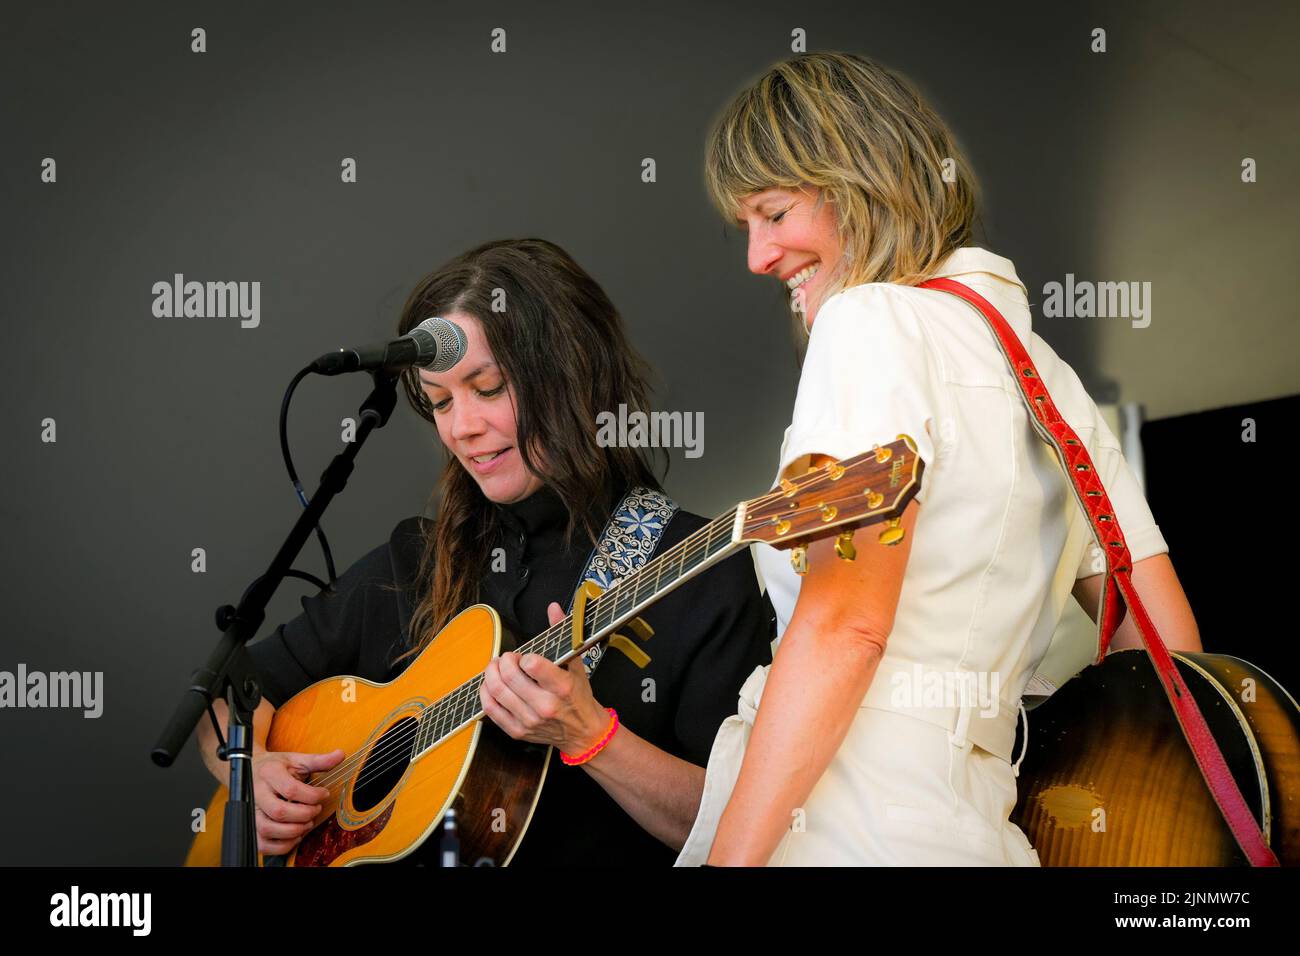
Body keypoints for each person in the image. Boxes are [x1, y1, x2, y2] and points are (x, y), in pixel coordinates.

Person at [676, 52, 1203, 867]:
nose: (758, 255)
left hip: (837, 827)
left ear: (858, 186)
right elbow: (1170, 646)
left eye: (774, 213)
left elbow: (845, 623)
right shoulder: (1044, 374)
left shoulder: (869, 322)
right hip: (980, 831)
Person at [196, 238, 774, 866]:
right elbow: (228, 691)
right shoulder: (412, 561)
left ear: (574, 373)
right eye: (441, 401)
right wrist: (249, 769)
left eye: (489, 388)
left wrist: (590, 736)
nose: (461, 427)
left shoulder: (703, 570)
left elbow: (738, 827)